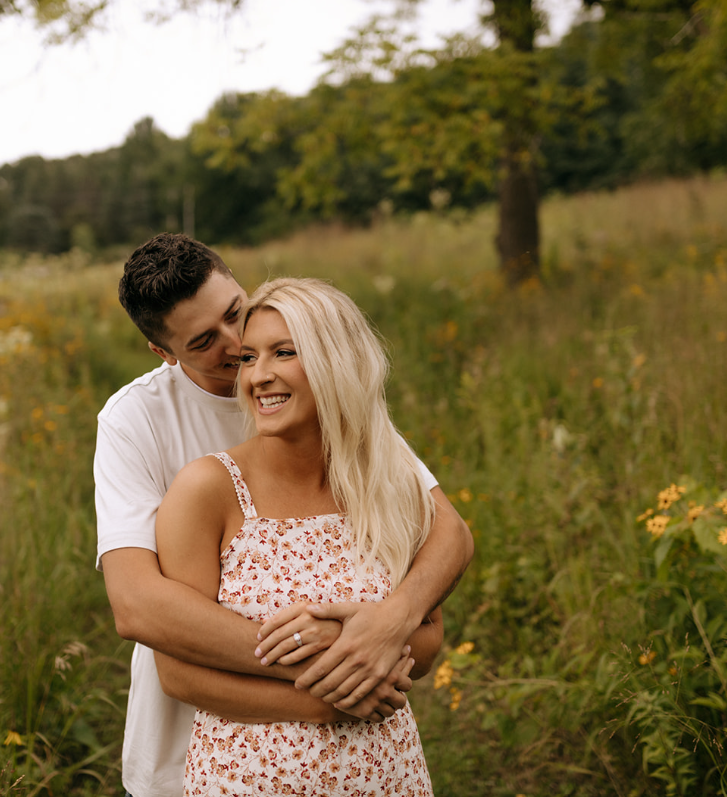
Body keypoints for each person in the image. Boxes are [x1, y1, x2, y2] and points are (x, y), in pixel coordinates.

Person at [94, 234, 472, 797]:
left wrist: (393, 621)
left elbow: (448, 531)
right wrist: (332, 671)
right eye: (204, 341)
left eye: (234, 313)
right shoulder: (137, 422)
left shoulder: (334, 406)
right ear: (165, 353)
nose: (236, 342)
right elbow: (139, 607)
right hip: (198, 755)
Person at [154, 277, 437, 795]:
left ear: (337, 361)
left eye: (283, 353)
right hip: (248, 779)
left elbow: (431, 637)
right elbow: (178, 675)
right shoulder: (208, 489)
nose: (259, 376)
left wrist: (375, 636)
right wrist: (335, 688)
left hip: (387, 774)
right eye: (248, 358)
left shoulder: (390, 481)